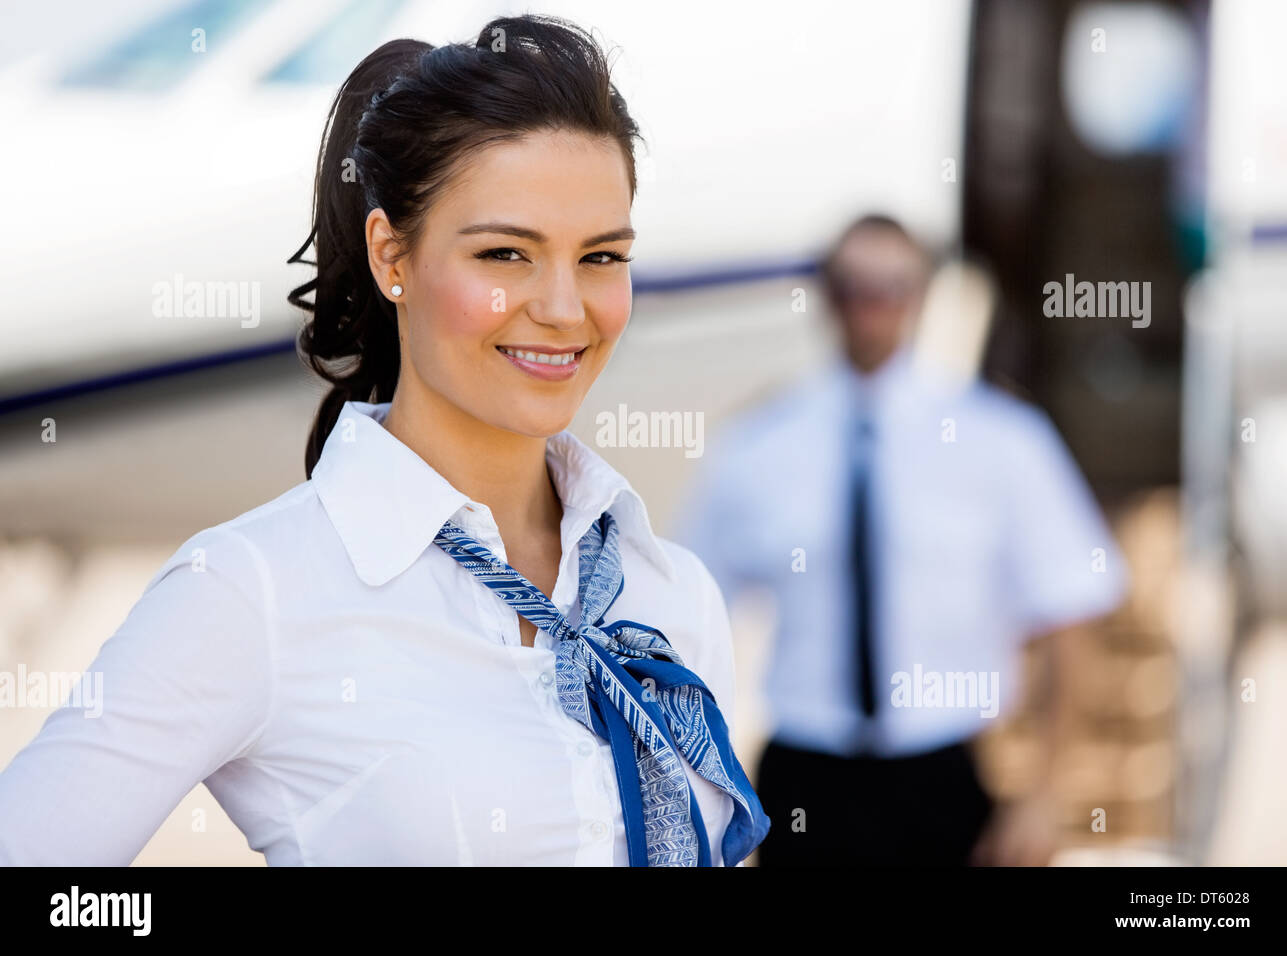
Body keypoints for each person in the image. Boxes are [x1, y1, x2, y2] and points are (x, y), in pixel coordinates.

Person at [0, 15, 768, 867]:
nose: (563, 307)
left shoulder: (675, 594)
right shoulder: (253, 591)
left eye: (600, 257)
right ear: (391, 253)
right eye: (507, 254)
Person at [673, 214, 1128, 866]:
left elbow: (1072, 613)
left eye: (893, 285)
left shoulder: (999, 437)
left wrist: (1044, 794)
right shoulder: (759, 443)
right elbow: (689, 620)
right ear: (827, 297)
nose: (873, 306)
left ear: (921, 293)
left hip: (946, 769)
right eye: (855, 286)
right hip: (807, 771)